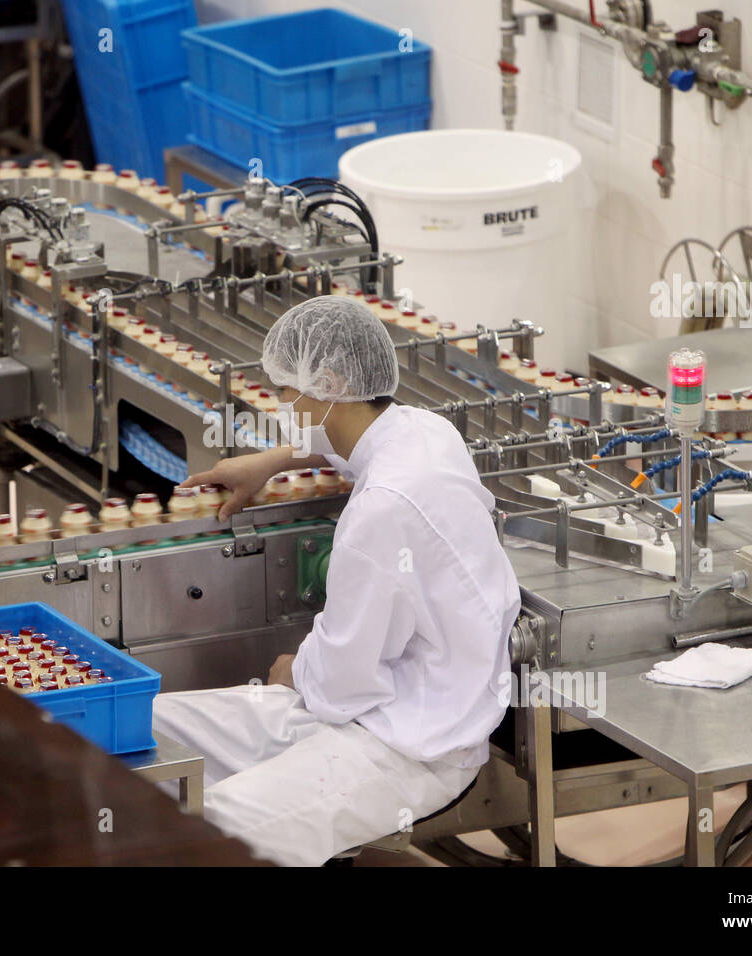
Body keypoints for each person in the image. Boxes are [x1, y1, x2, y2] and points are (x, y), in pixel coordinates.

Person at [152, 296, 521, 866]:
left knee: (211, 829)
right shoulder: (425, 431)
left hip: (410, 743)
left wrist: (292, 672)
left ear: (327, 383)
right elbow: (349, 444)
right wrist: (271, 461)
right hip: (377, 700)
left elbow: (341, 681)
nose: (279, 403)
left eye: (285, 391)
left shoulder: (380, 512)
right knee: (148, 725)